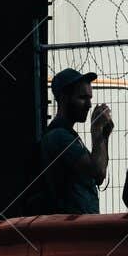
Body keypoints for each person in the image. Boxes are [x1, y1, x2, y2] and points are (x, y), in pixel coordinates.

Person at [35, 68, 113, 214]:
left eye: (90, 98)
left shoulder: (69, 136)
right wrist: (96, 131)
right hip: (70, 227)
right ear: (64, 98)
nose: (89, 105)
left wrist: (104, 135)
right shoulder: (59, 137)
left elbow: (100, 176)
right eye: (83, 98)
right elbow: (97, 171)